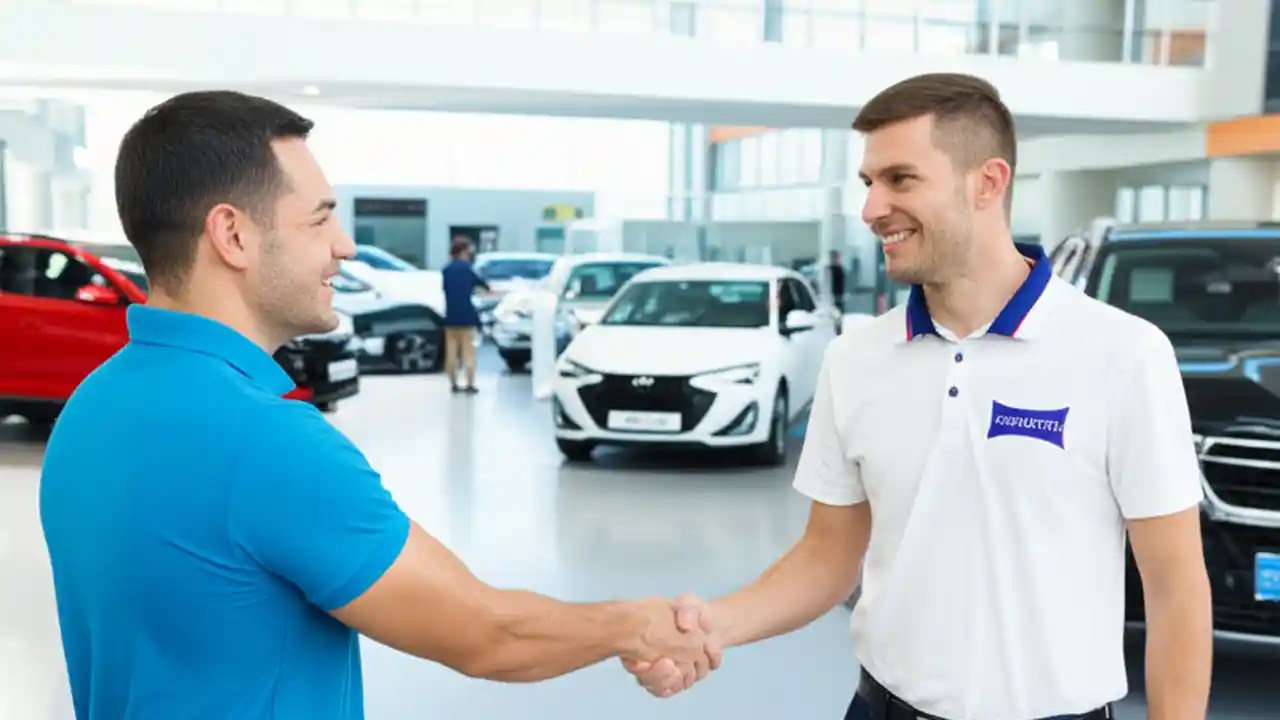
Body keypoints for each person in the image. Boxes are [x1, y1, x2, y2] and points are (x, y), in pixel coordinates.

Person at [37, 90, 714, 720]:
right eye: (320, 219)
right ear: (233, 235)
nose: (346, 246)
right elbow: (485, 633)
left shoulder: (92, 408)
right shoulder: (263, 440)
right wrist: (634, 624)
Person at [627, 72, 1213, 719]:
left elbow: (1176, 588)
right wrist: (711, 627)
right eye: (868, 183)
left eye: (900, 179)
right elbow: (827, 556)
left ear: (987, 183)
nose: (872, 208)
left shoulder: (1122, 354)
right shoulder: (855, 359)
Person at [441, 236, 489, 393]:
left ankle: (453, 384)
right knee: (468, 352)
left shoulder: (446, 270)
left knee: (451, 353)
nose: (470, 253)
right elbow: (483, 285)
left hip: (450, 317)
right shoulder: (468, 269)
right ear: (463, 251)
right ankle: (470, 384)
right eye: (469, 250)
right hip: (466, 317)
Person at [827, 249, 846, 314]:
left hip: (838, 295)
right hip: (831, 295)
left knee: (838, 310)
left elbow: (842, 284)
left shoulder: (839, 269)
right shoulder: (829, 269)